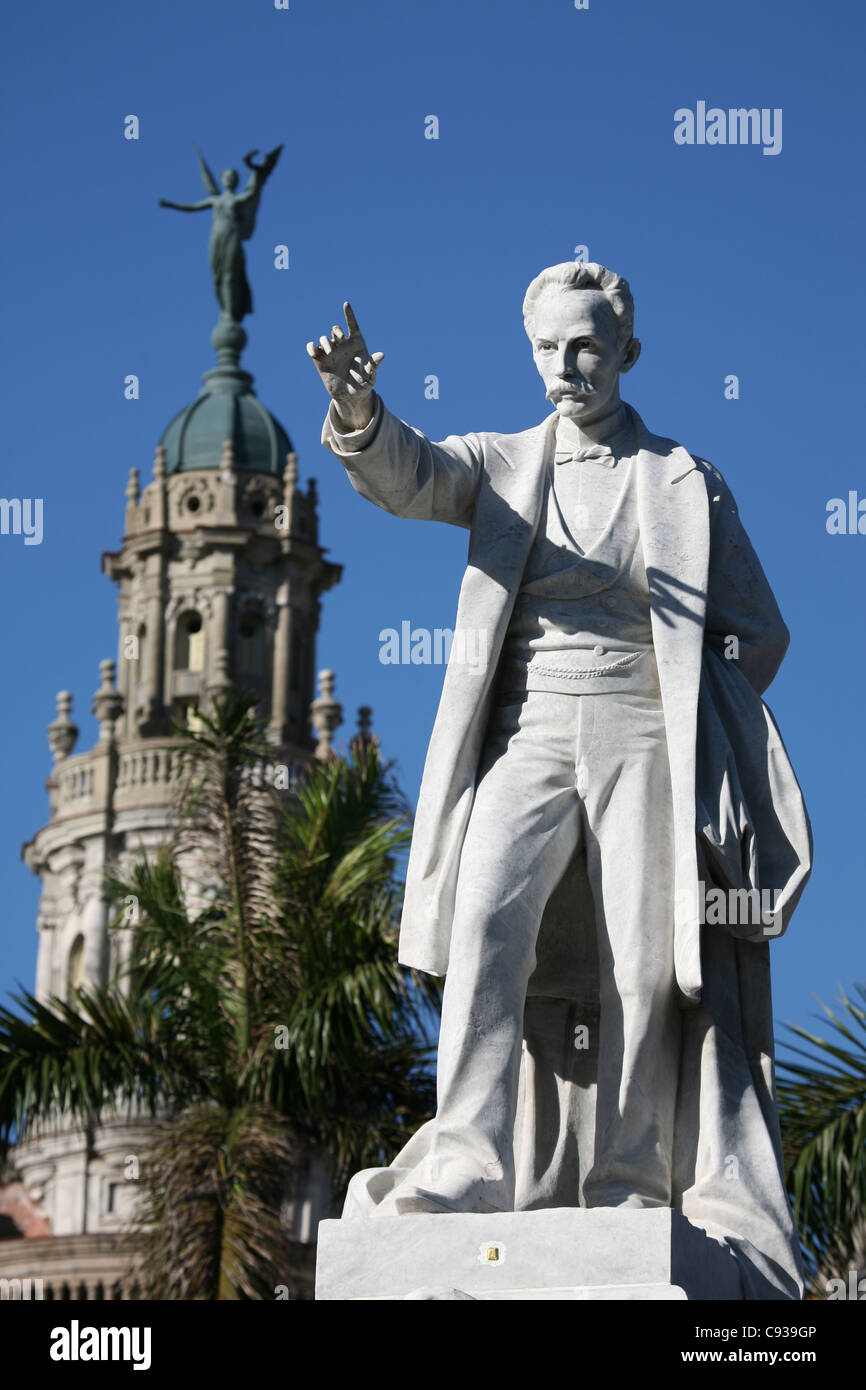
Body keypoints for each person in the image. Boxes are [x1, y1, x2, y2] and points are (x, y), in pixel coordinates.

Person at [307, 263, 811, 1298]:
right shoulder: (498, 463)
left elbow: (756, 634)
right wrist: (358, 413)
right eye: (545, 347)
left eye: (584, 345)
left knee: (638, 955)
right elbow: (408, 474)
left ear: (626, 351)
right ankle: (464, 1161)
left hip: (643, 729)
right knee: (484, 926)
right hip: (527, 729)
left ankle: (628, 1175)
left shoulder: (686, 478)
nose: (564, 366)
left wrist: (693, 715)